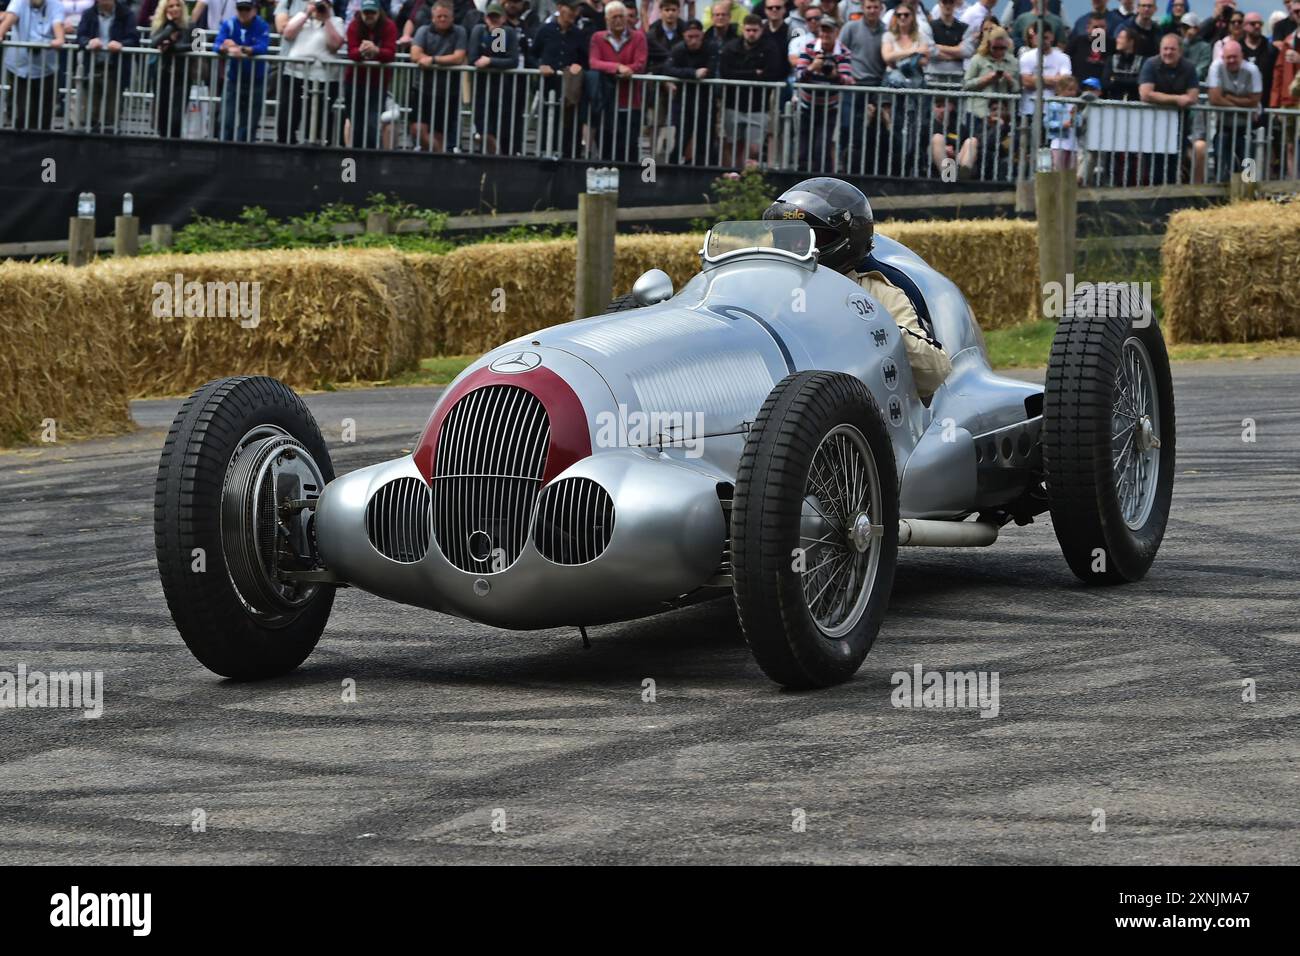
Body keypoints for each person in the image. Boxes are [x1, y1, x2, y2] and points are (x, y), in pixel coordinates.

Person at [762, 178, 951, 400]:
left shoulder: (878, 292)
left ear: (848, 239)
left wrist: (873, 327)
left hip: (863, 410)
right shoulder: (767, 291)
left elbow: (935, 371)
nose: (796, 248)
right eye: (787, 238)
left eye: (810, 237)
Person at [274, 0, 345, 145]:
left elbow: (335, 45)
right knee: (286, 118)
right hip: (294, 74)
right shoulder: (301, 17)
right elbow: (287, 34)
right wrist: (306, 13)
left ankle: (315, 152)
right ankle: (286, 150)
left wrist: (326, 20)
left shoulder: (336, 22)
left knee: (316, 122)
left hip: (323, 78)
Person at [1138, 30, 1203, 183]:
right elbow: (1145, 94)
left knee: (1174, 166)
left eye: (1172, 49)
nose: (1168, 52)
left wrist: (1160, 98)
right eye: (1165, 49)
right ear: (1160, 50)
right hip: (1152, 126)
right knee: (1153, 167)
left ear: (1180, 51)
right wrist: (1177, 99)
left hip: (1179, 127)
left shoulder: (1188, 68)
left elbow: (1193, 97)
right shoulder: (1150, 64)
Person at [588, 0, 648, 160]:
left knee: (629, 146)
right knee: (605, 146)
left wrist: (630, 70)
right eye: (614, 17)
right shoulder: (597, 37)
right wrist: (618, 67)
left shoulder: (638, 37)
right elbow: (594, 62)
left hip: (630, 101)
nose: (619, 20)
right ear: (607, 19)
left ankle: (630, 182)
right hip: (606, 101)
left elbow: (640, 63)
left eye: (621, 16)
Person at [719, 13, 782, 163]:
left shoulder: (769, 48)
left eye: (755, 30)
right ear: (742, 29)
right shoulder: (731, 47)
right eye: (748, 30)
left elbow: (771, 74)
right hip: (733, 104)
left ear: (761, 30)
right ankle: (732, 175)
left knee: (754, 149)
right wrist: (754, 73)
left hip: (758, 106)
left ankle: (750, 179)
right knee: (733, 144)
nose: (751, 34)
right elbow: (725, 73)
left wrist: (741, 74)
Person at [534, 0, 592, 157]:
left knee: (571, 129)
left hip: (570, 91)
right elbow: (532, 55)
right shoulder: (545, 30)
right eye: (571, 8)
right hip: (549, 86)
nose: (574, 12)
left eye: (576, 9)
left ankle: (571, 159)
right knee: (547, 124)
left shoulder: (579, 35)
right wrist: (540, 66)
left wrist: (579, 67)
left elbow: (587, 61)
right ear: (560, 8)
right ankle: (545, 156)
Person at [795, 14, 852, 170]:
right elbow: (798, 77)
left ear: (836, 32)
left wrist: (835, 75)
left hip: (829, 108)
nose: (825, 35)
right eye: (823, 31)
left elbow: (848, 80)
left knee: (822, 149)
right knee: (803, 150)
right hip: (807, 105)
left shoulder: (843, 52)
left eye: (829, 31)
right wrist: (812, 67)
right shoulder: (809, 48)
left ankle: (822, 183)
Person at [0, 0, 66, 131]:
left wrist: (59, 39)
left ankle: (43, 150)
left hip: (47, 68)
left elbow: (58, 27)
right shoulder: (18, 2)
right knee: (22, 113)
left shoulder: (56, 5)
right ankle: (19, 147)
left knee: (44, 115)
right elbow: (10, 18)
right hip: (19, 68)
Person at [410, 0, 466, 152]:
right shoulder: (423, 30)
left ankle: (436, 163)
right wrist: (444, 61)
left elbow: (459, 57)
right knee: (417, 130)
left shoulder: (459, 31)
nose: (442, 19)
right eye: (439, 16)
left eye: (446, 16)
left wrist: (433, 60)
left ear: (452, 18)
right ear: (433, 17)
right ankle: (436, 152)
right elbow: (415, 54)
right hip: (422, 89)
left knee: (439, 133)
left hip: (448, 92)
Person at [468, 2, 521, 154]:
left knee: (502, 128)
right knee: (483, 127)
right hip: (482, 88)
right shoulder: (479, 30)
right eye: (490, 18)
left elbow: (511, 60)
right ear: (485, 18)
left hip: (503, 89)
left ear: (503, 19)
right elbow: (473, 58)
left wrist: (491, 60)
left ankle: (501, 157)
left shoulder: (507, 32)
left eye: (496, 18)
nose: (493, 21)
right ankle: (491, 155)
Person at [214, 0, 269, 142]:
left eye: (247, 9)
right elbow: (217, 44)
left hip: (256, 81)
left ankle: (246, 157)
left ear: (254, 10)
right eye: (240, 9)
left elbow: (263, 46)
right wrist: (225, 47)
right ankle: (224, 153)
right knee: (226, 121)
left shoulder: (262, 25)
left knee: (249, 124)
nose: (243, 12)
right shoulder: (229, 24)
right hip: (233, 80)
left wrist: (241, 48)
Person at [661, 18, 716, 161]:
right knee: (681, 138)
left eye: (697, 36)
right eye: (690, 37)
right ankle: (672, 168)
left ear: (702, 35)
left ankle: (702, 170)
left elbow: (712, 70)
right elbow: (668, 69)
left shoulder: (710, 47)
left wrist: (696, 73)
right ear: (684, 36)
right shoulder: (678, 49)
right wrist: (693, 73)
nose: (693, 41)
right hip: (684, 100)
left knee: (705, 140)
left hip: (706, 100)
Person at [76, 0, 133, 133]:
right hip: (92, 67)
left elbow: (133, 38)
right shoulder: (88, 14)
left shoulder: (126, 14)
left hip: (115, 69)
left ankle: (111, 144)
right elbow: (80, 37)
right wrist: (88, 42)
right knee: (89, 113)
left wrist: (121, 44)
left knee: (112, 113)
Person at [345, 0, 397, 148]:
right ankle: (355, 154)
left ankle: (371, 156)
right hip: (354, 81)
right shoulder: (354, 25)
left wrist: (376, 51)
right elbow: (351, 52)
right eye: (366, 12)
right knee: (355, 122)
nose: (369, 16)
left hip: (377, 83)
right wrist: (364, 51)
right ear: (361, 12)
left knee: (372, 123)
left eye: (372, 12)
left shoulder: (389, 26)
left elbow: (390, 53)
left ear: (379, 12)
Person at [1207, 38, 1260, 181]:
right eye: (1228, 57)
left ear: (1242, 56)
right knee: (1221, 164)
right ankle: (1220, 196)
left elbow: (1254, 101)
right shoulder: (1216, 67)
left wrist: (1228, 98)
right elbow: (1214, 99)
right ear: (1222, 57)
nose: (1231, 60)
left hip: (1247, 128)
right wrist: (1243, 105)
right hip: (1224, 126)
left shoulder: (1252, 70)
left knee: (1248, 164)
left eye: (1234, 57)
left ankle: (1248, 193)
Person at [149, 0, 191, 139]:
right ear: (165, 10)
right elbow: (153, 43)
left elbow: (197, 46)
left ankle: (175, 152)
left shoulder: (190, 25)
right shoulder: (161, 25)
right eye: (171, 6)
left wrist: (173, 48)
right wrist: (169, 28)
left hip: (182, 76)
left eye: (178, 5)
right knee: (162, 118)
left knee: (176, 119)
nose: (175, 8)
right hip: (162, 75)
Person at [1181, 13, 1211, 82]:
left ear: (1196, 29)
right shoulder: (1178, 44)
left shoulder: (1205, 47)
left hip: (1196, 84)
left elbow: (1201, 71)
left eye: (1187, 27)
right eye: (1183, 27)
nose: (1184, 30)